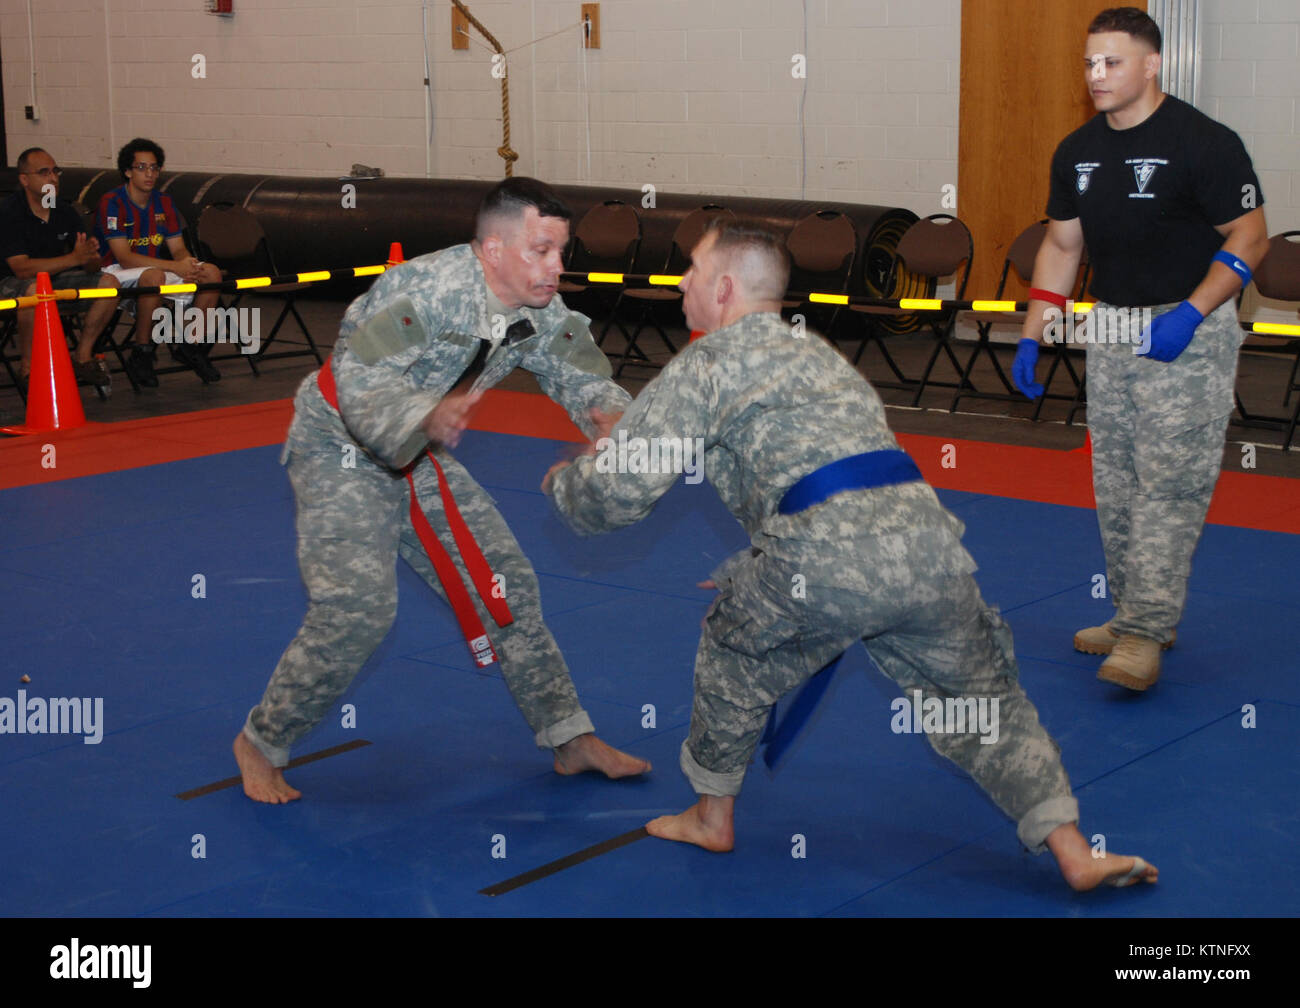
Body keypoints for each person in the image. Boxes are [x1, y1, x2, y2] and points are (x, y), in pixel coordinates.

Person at [544, 218, 1156, 891]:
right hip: (930, 549)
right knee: (983, 703)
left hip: (821, 562)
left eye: (691, 271)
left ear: (721, 289)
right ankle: (1072, 849)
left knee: (730, 647)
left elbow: (618, 494)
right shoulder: (819, 353)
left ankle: (710, 814)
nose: (683, 284)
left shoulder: (708, 364)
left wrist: (569, 483)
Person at [233, 176, 650, 804]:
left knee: (507, 584)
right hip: (342, 446)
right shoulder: (422, 292)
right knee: (358, 613)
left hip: (422, 452)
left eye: (561, 252)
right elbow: (358, 380)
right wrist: (420, 416)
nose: (556, 267)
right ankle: (260, 743)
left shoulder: (541, 308)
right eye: (541, 250)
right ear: (493, 249)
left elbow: (583, 374)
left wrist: (611, 419)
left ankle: (569, 739)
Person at [1012, 7, 1269, 691]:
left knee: (1168, 482)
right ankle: (1136, 613)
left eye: (1112, 62)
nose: (1096, 75)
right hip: (1112, 326)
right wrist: (1036, 331)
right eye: (1090, 62)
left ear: (1151, 64)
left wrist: (1192, 311)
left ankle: (1147, 631)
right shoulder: (1077, 150)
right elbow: (1063, 246)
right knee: (1116, 479)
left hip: (1187, 324)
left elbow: (1250, 237)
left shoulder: (1204, 142)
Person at [95, 138, 222, 386]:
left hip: (154, 266)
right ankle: (142, 351)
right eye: (142, 168)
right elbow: (124, 257)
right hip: (115, 271)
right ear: (127, 171)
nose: (149, 174)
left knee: (211, 273)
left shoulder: (164, 202)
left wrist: (189, 265)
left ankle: (190, 346)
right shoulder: (112, 202)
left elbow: (178, 249)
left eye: (154, 168)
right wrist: (175, 267)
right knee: (154, 276)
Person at [0, 147, 119, 391]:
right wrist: (75, 258)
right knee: (34, 289)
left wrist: (90, 257)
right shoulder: (9, 212)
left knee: (109, 284)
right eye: (44, 173)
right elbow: (21, 269)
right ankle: (29, 368)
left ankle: (82, 357)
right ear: (24, 179)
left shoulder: (64, 210)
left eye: (56, 171)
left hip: (57, 281)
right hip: (10, 284)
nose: (53, 178)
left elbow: (89, 265)